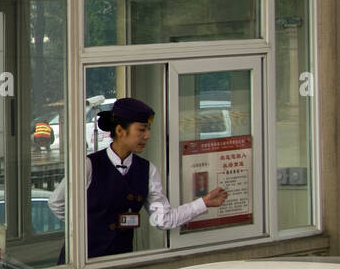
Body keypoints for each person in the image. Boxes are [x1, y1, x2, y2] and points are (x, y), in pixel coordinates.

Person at [48, 96, 226, 260]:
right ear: (120, 130)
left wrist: (203, 203)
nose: (147, 136)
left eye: (148, 130)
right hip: (81, 261)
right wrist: (87, 226)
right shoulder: (88, 165)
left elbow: (163, 219)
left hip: (120, 261)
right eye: (141, 130)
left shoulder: (147, 170)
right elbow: (57, 203)